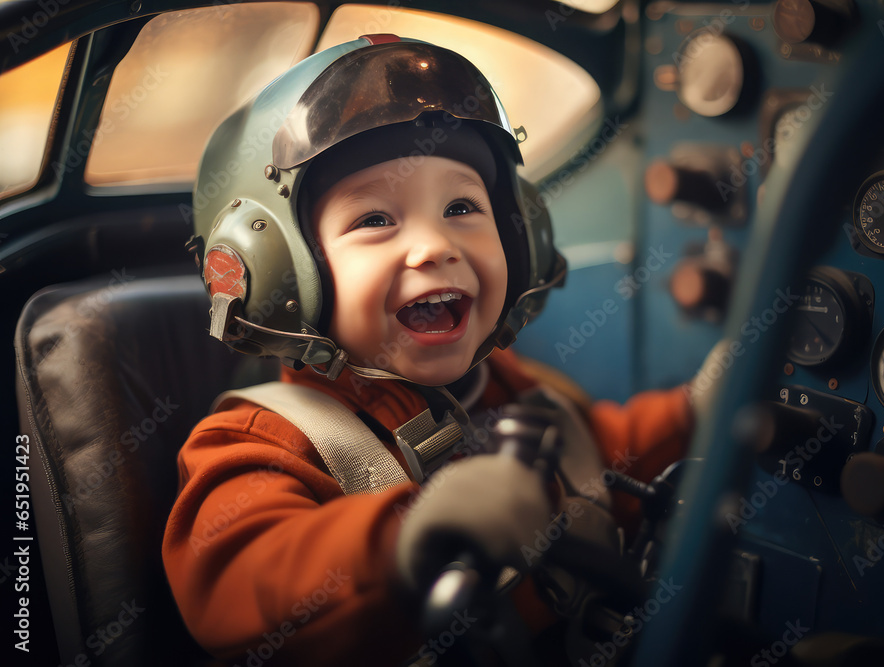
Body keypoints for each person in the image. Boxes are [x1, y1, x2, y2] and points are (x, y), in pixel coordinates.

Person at [163, 35, 699, 666]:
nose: (435, 246)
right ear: (276, 271)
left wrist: (699, 411)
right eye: (375, 220)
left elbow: (596, 457)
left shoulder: (502, 383)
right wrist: (408, 541)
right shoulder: (259, 441)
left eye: (461, 207)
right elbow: (240, 580)